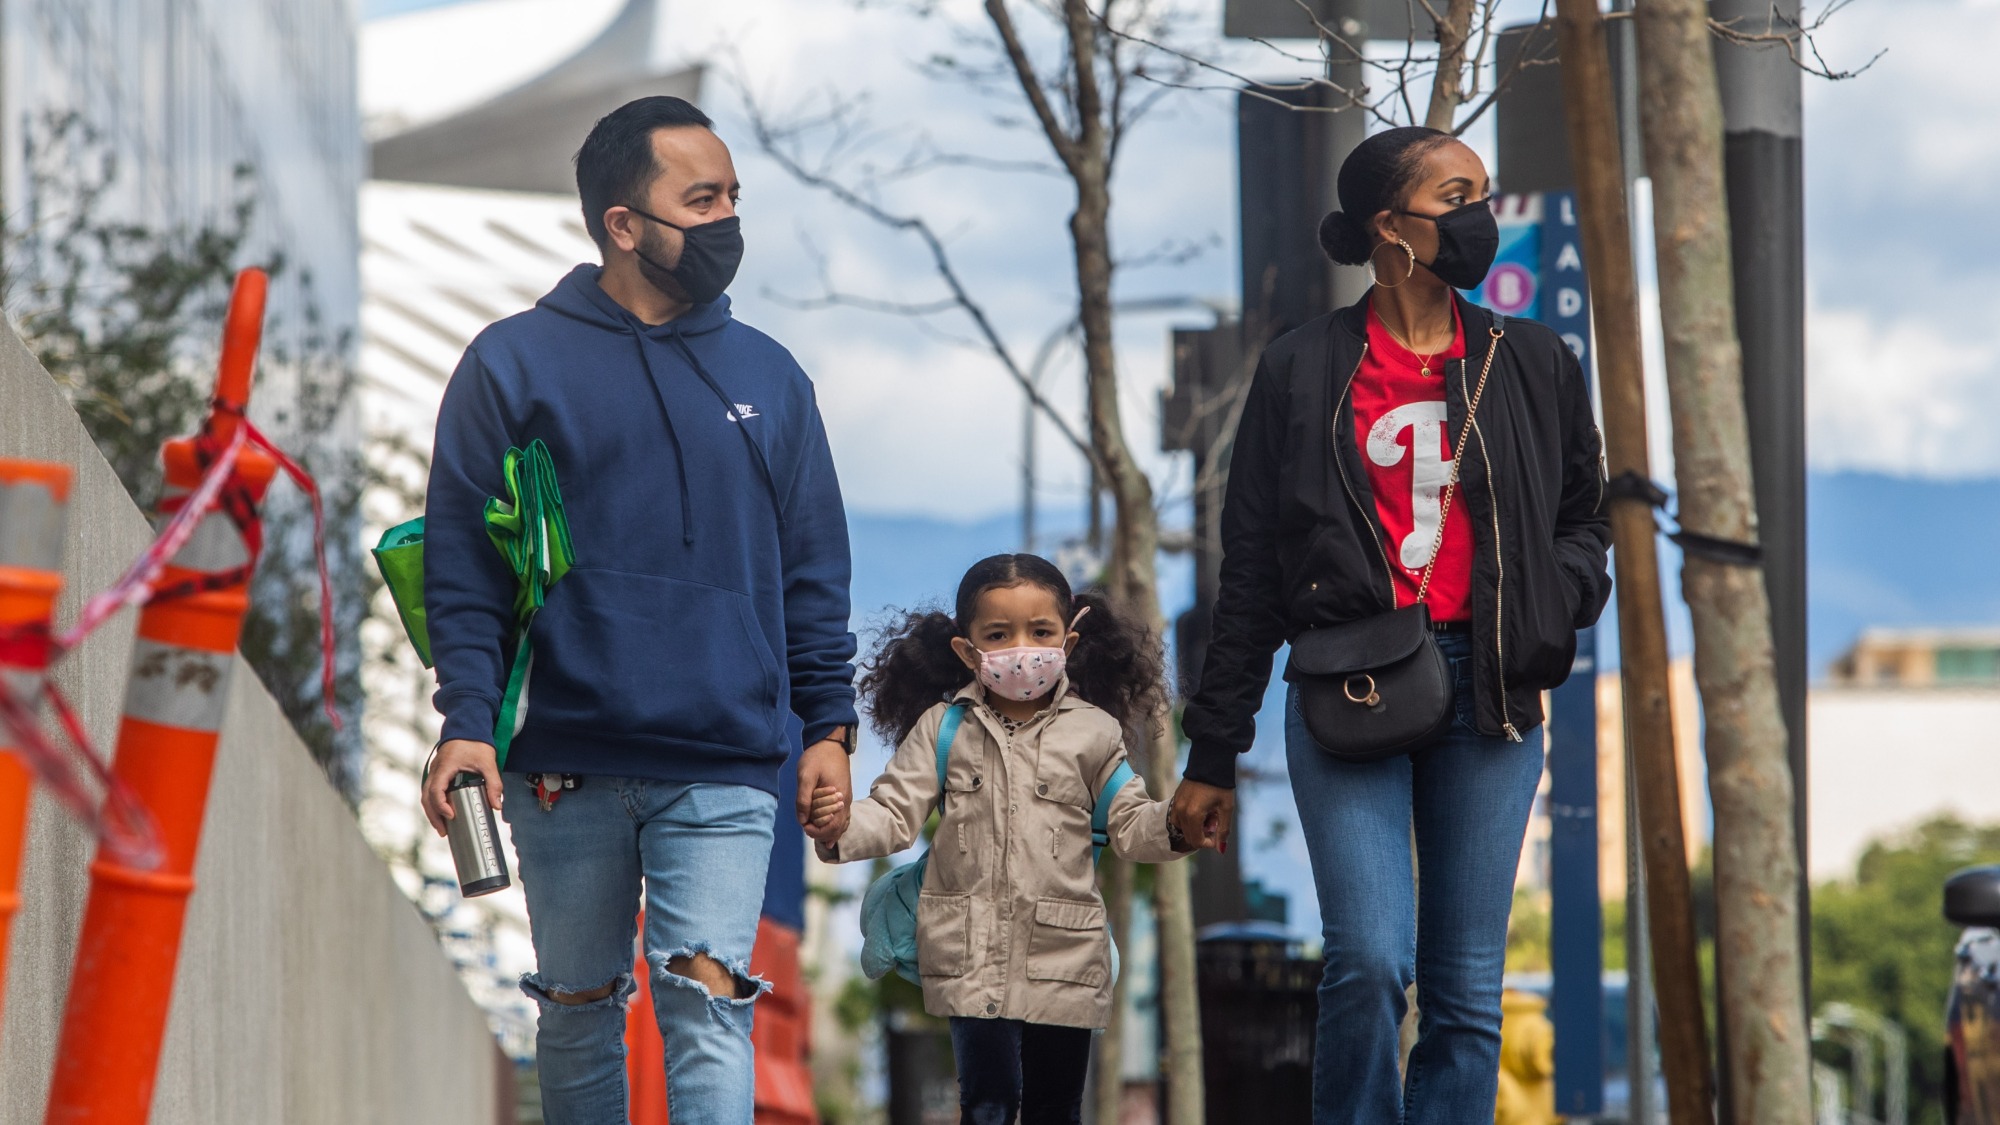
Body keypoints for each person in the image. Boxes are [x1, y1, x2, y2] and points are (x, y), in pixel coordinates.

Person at [420, 96, 859, 1123]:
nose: (726, 223)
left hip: (722, 758)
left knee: (704, 1009)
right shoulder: (512, 363)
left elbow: (812, 568)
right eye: (699, 199)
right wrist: (465, 727)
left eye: (732, 199)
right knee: (577, 1011)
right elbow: (460, 569)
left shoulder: (772, 379)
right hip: (561, 762)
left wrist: (829, 726)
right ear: (623, 223)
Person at [1170, 126, 1612, 1124]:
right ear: (1387, 226)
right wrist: (1212, 752)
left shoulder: (1532, 361)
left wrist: (1557, 595)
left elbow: (1582, 517)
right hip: (1347, 684)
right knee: (1367, 961)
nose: (1477, 218)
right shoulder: (1301, 368)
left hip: (1493, 689)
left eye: (1482, 195)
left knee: (1463, 995)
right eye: (1454, 196)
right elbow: (1251, 574)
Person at [812, 554, 1199, 1125]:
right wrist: (839, 826)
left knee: (1055, 1109)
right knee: (987, 1107)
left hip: (1065, 957)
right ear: (967, 651)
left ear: (1067, 640)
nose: (1022, 647)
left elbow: (1129, 822)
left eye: (1040, 631)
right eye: (998, 634)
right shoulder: (942, 729)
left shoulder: (1095, 733)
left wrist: (1177, 824)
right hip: (970, 954)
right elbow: (894, 813)